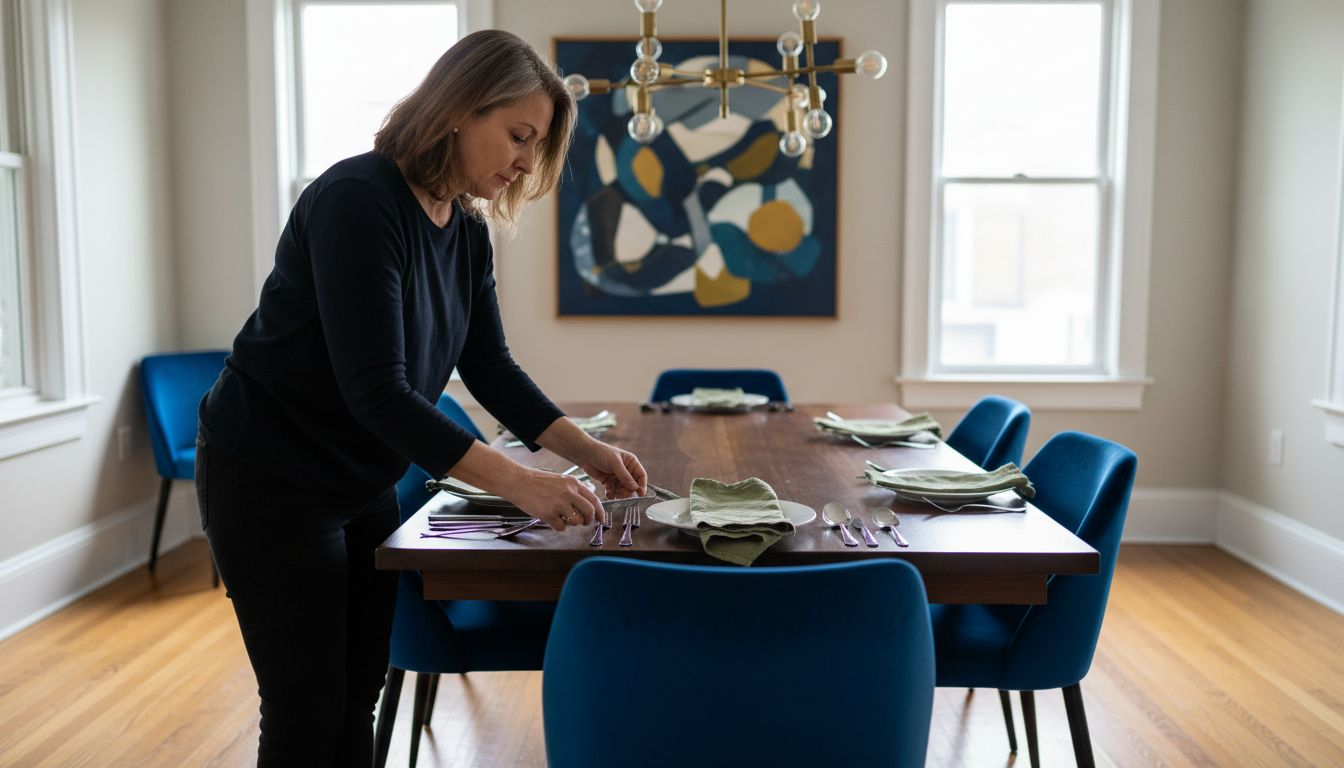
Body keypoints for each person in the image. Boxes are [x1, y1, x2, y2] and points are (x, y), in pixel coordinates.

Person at [195, 29, 647, 766]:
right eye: (518, 136)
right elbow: (377, 391)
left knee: (357, 695)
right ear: (460, 109)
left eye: (538, 146)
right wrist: (521, 484)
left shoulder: (465, 231)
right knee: (306, 709)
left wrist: (587, 450)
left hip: (359, 479)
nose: (527, 163)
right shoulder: (356, 200)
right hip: (270, 477)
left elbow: (492, 368)